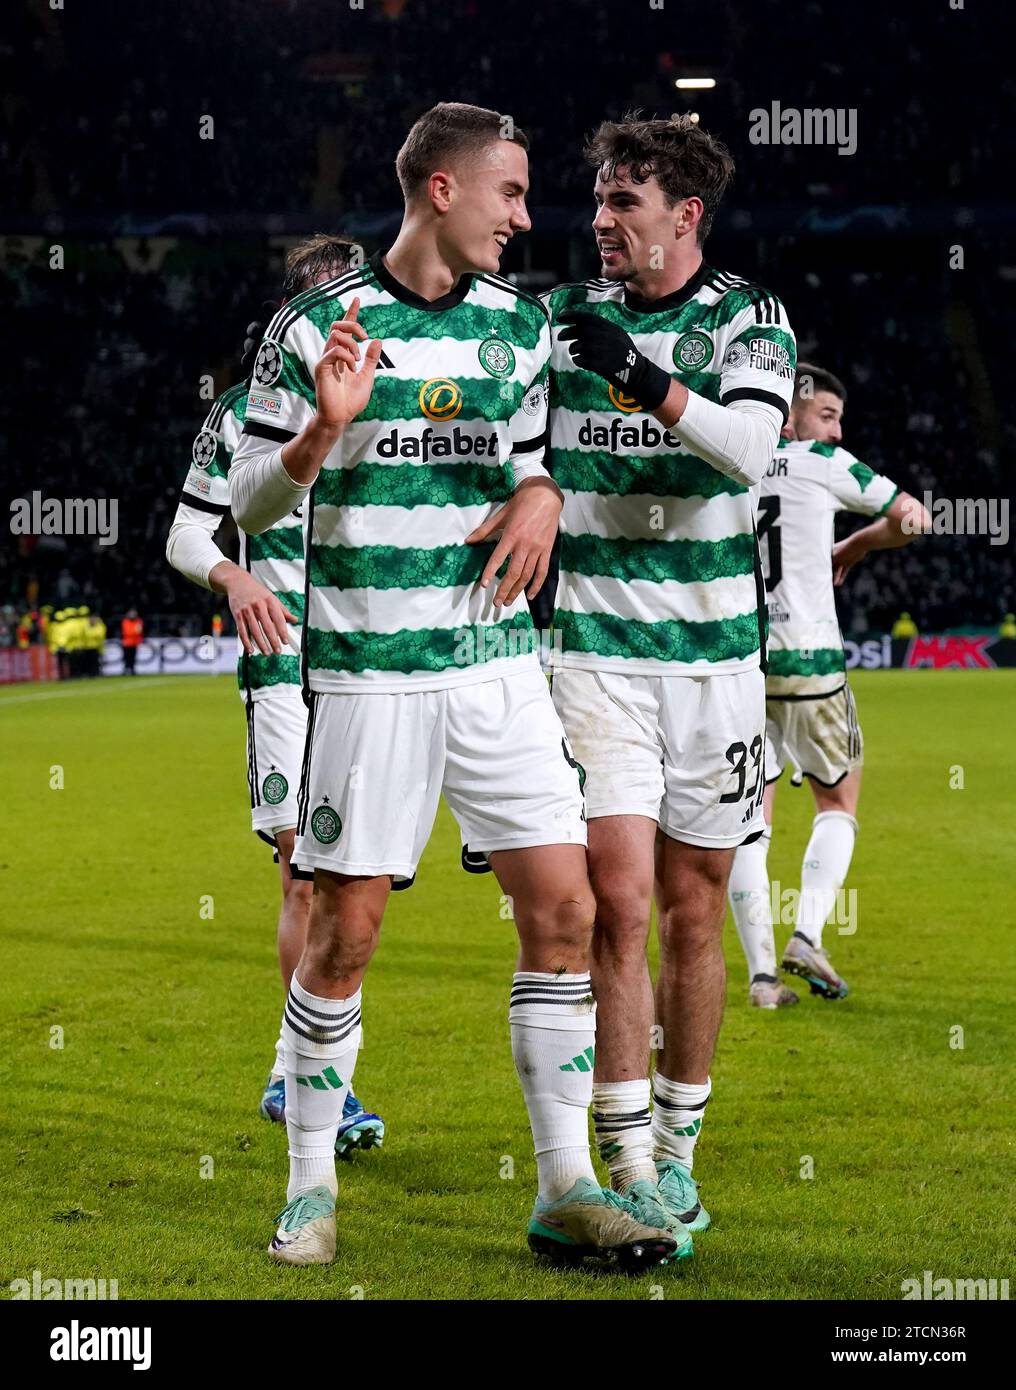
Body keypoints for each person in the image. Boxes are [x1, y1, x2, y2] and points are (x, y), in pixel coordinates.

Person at [230, 102, 678, 1270]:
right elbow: (249, 509)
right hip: (372, 675)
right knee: (346, 932)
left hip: (496, 668)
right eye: (511, 195)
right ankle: (310, 1189)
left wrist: (540, 497)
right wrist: (315, 438)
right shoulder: (315, 326)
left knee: (566, 912)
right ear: (442, 190)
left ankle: (564, 1186)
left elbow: (537, 468)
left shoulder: (518, 328)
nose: (527, 219)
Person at [544, 114, 796, 1235]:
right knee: (619, 903)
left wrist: (640, 379)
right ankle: (625, 1155)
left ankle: (681, 1144)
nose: (599, 221)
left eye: (623, 204)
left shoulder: (749, 320)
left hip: (715, 666)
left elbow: (746, 452)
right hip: (595, 651)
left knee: (697, 913)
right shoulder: (559, 319)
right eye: (596, 201)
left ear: (682, 217)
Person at [166, 233, 385, 1155]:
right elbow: (186, 536)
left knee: (357, 883)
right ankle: (309, 1089)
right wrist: (234, 577)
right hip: (288, 664)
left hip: (383, 664)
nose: (354, 312)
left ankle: (297, 1072)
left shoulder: (407, 390)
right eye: (333, 296)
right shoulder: (237, 413)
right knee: (306, 877)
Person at [728, 364, 930, 1003]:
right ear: (788, 415)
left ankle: (761, 977)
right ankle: (807, 935)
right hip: (811, 663)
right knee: (837, 804)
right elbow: (914, 518)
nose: (838, 433)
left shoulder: (725, 458)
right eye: (827, 416)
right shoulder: (820, 462)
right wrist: (858, 547)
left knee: (746, 823)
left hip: (739, 666)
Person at [121, 609, 143, 674]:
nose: (132, 615)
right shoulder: (125, 621)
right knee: (126, 657)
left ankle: (132, 669)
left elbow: (138, 632)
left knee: (133, 657)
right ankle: (126, 669)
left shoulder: (138, 621)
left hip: (134, 642)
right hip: (127, 642)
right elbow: (127, 632)